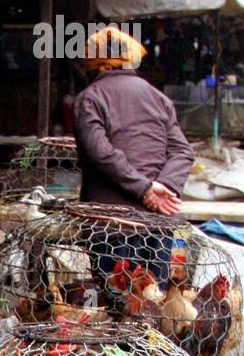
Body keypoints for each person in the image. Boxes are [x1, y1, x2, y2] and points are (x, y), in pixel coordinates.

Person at [73, 26, 194, 216]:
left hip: (109, 222)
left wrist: (146, 189)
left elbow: (101, 153)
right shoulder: (158, 97)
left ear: (92, 64)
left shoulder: (90, 98)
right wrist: (163, 187)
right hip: (159, 218)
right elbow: (183, 151)